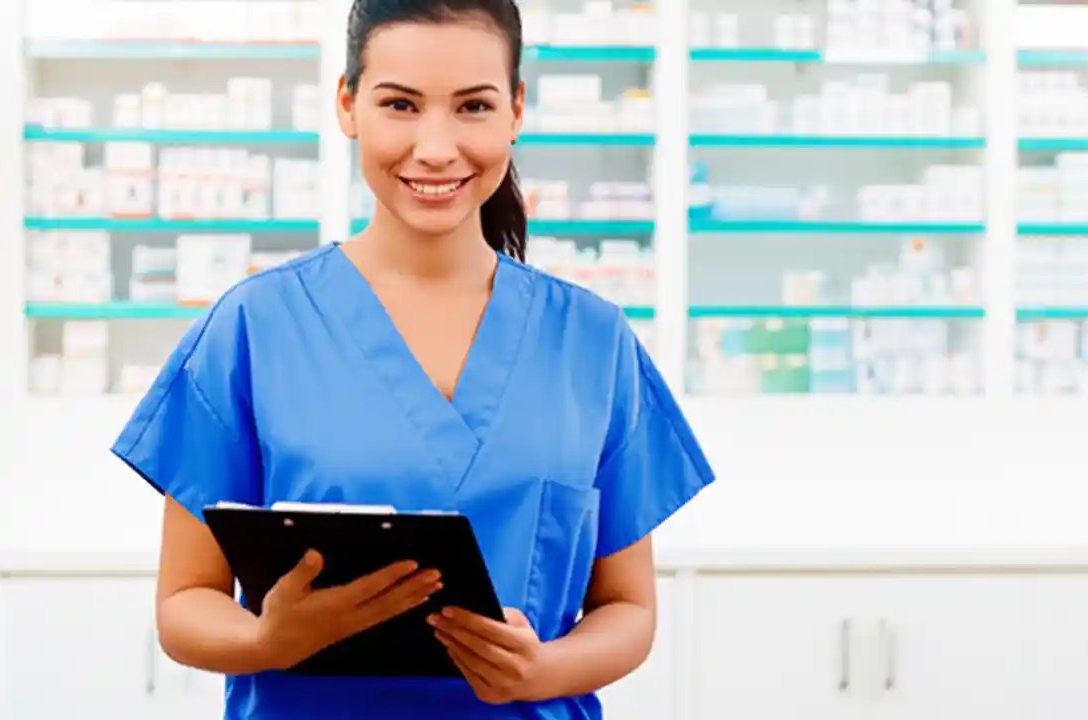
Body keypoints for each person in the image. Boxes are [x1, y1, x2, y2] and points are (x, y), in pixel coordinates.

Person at [109, 0, 715, 717]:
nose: (435, 147)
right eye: (400, 104)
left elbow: (629, 611)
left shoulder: (591, 338)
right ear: (347, 104)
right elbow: (184, 605)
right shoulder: (255, 326)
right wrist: (271, 639)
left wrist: (542, 670)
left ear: (516, 111)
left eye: (473, 107)